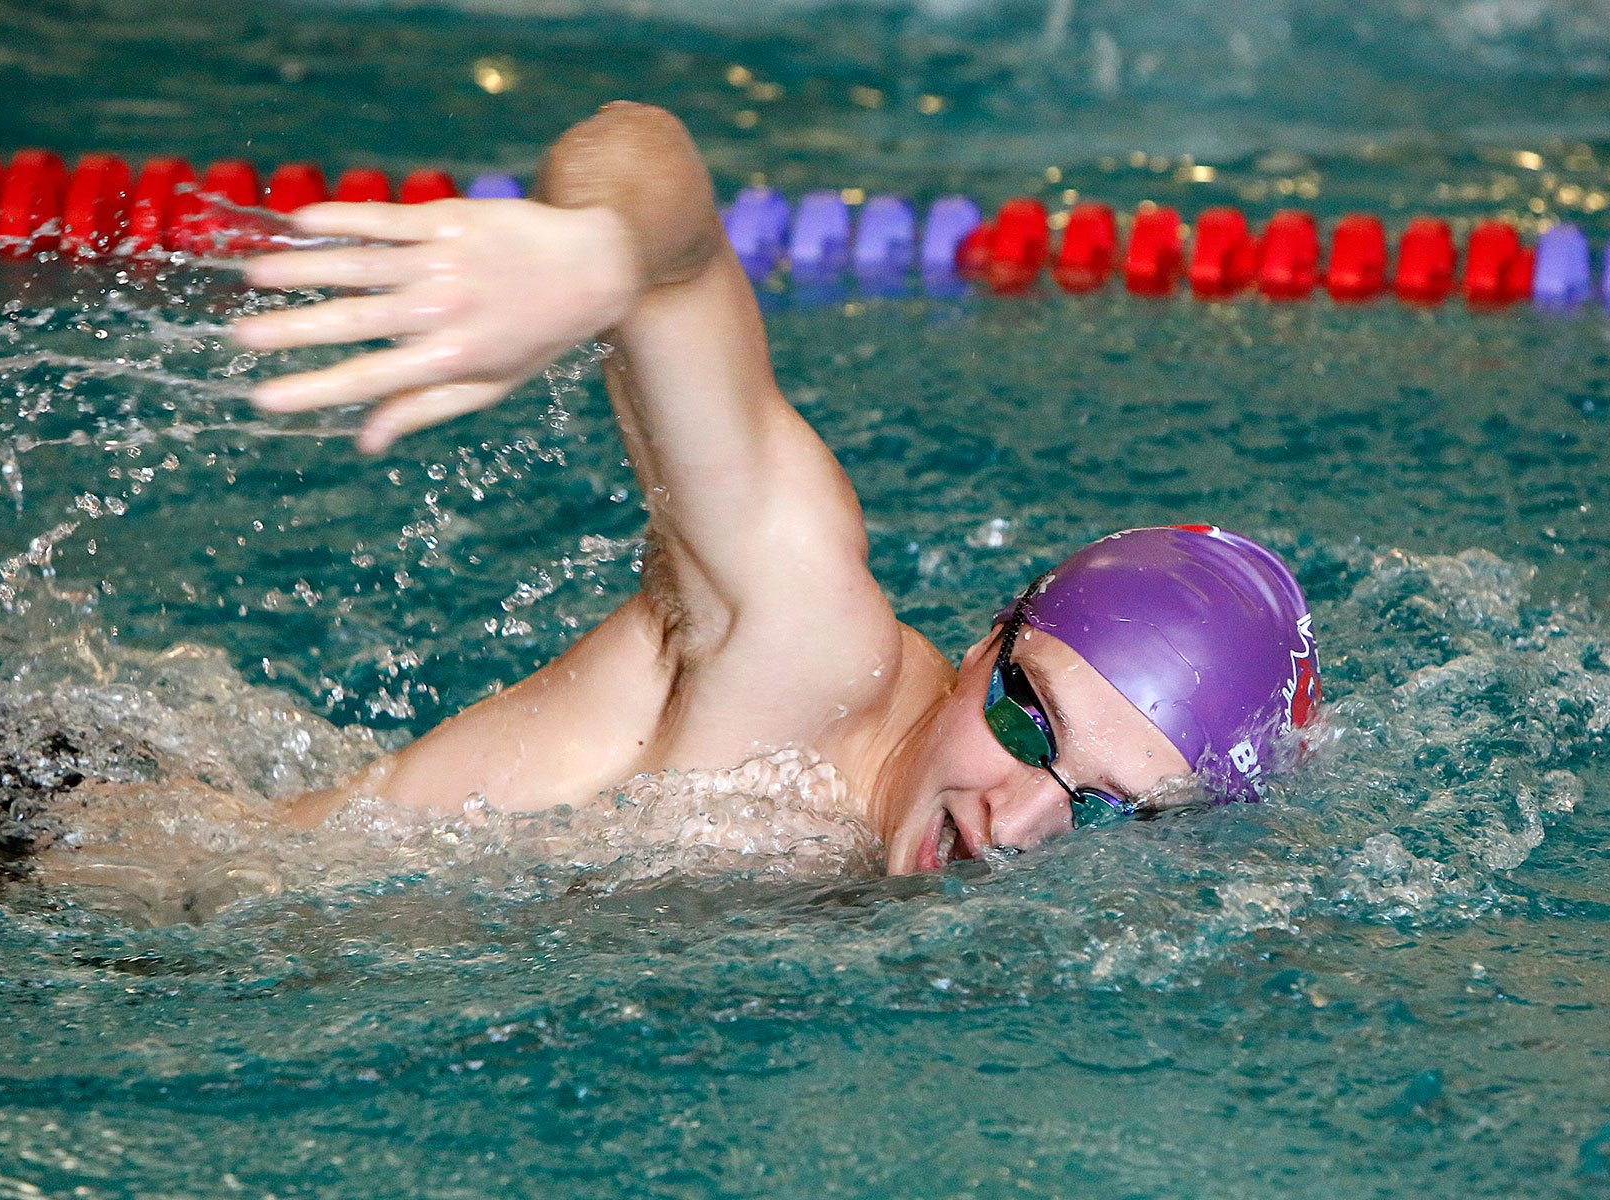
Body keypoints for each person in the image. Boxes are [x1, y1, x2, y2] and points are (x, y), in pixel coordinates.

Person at [230, 102, 1321, 875]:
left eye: (1109, 813)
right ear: (989, 649)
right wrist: (603, 254)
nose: (1019, 818)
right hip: (113, 886)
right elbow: (645, 158)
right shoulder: (803, 647)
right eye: (1029, 728)